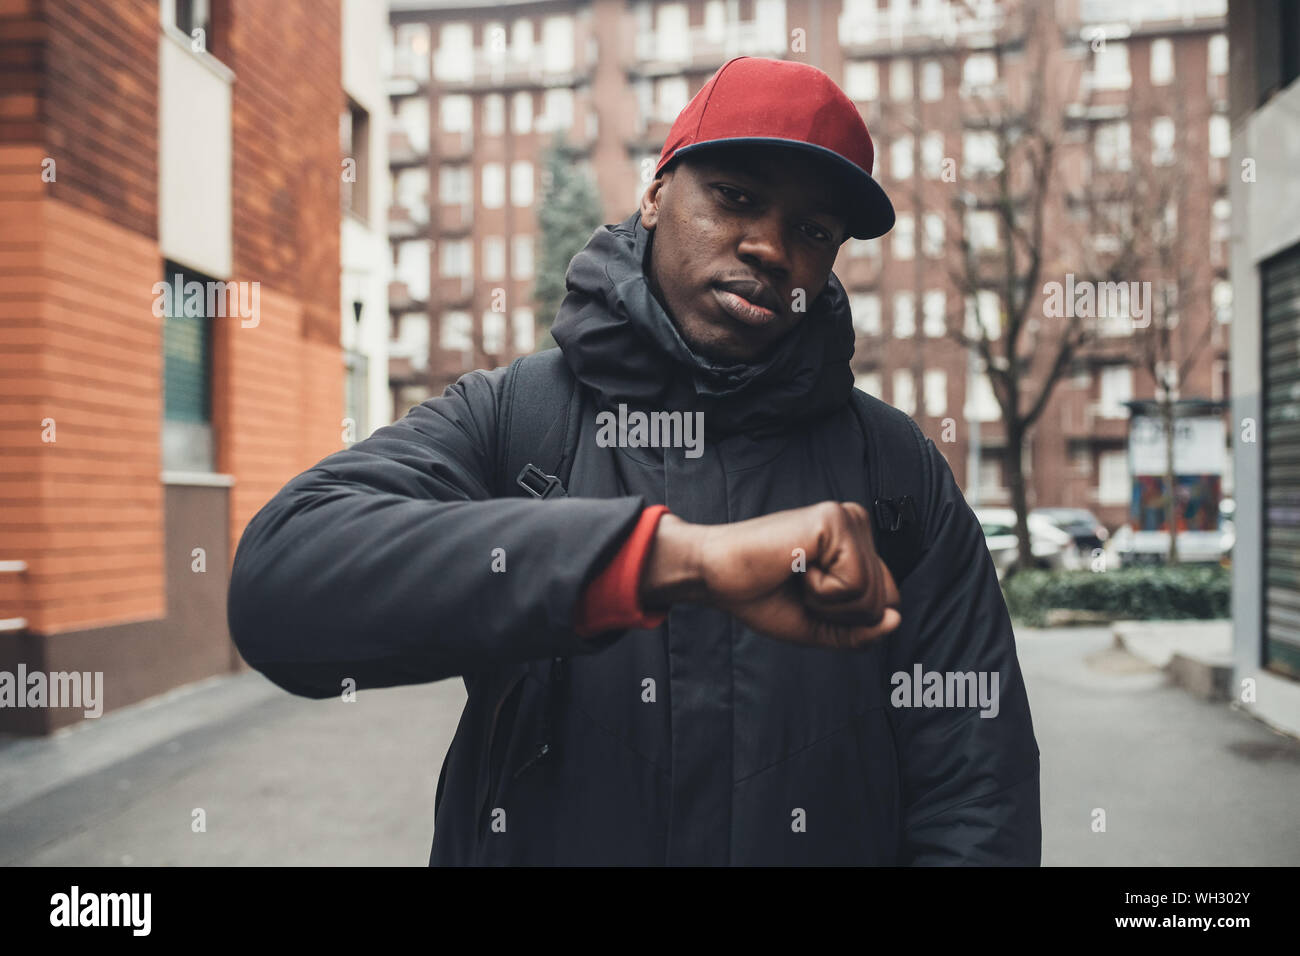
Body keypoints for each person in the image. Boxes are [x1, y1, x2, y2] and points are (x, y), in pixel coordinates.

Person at [227, 56, 1041, 866]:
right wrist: (658, 560)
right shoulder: (519, 421)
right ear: (655, 196)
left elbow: (978, 795)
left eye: (813, 229)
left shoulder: (897, 474)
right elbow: (282, 583)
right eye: (736, 198)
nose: (768, 246)